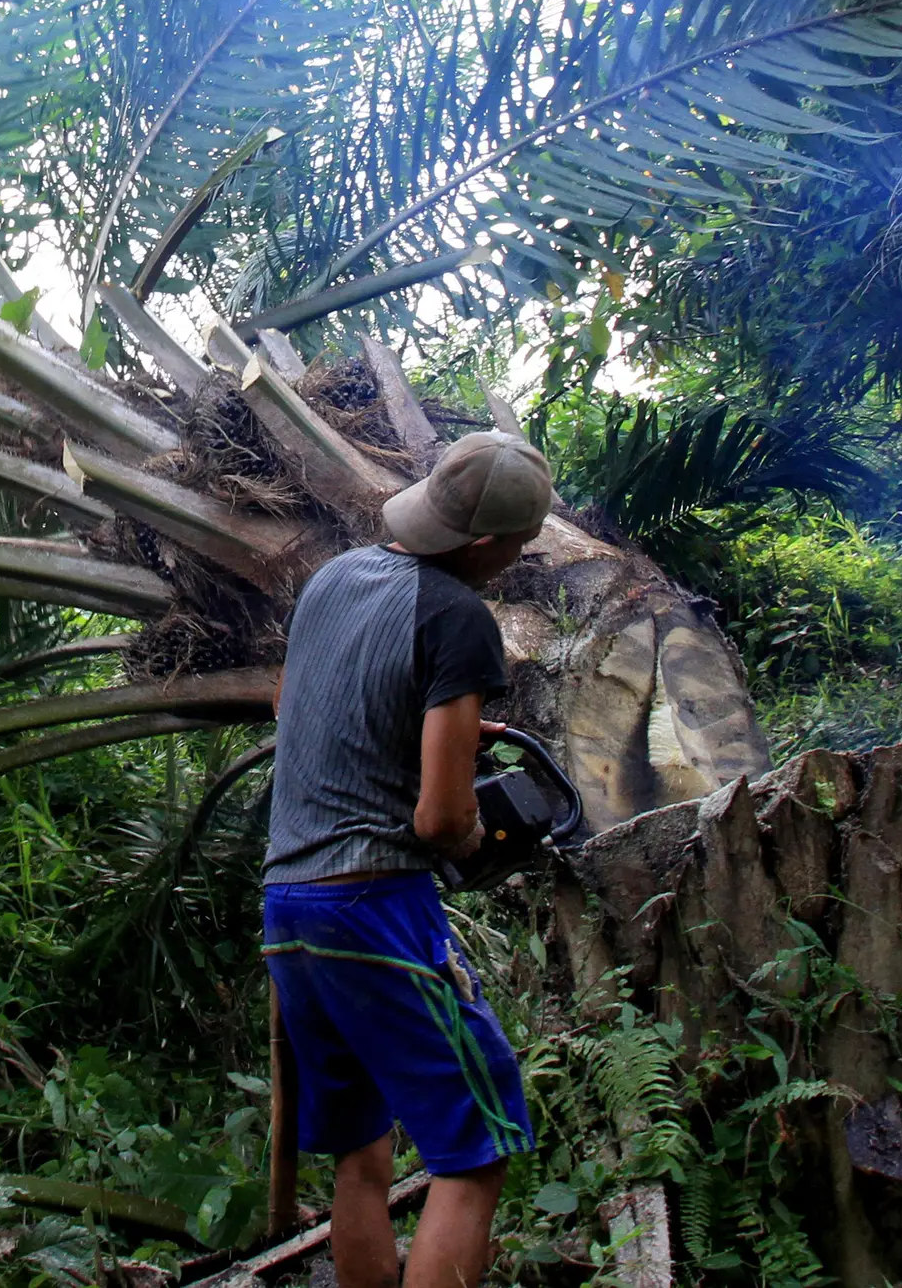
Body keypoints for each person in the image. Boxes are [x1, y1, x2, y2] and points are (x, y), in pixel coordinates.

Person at [262, 429, 557, 1288]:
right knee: (477, 1150)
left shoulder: (334, 578)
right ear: (485, 546)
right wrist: (473, 828)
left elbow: (301, 711)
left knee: (363, 1156)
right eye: (518, 546)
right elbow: (437, 820)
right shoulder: (460, 616)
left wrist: (438, 730)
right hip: (374, 911)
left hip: (290, 911)